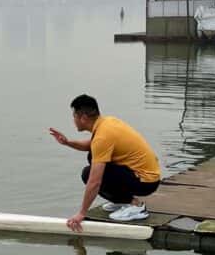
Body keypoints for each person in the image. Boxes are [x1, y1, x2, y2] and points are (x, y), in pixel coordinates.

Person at [49, 94, 161, 228]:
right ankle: (123, 201)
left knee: (89, 173)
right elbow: (91, 145)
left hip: (145, 181)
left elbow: (95, 181)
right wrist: (67, 142)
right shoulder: (107, 123)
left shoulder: (102, 136)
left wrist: (81, 213)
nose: (73, 120)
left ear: (83, 118)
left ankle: (136, 206)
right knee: (92, 159)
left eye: (74, 116)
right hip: (145, 177)